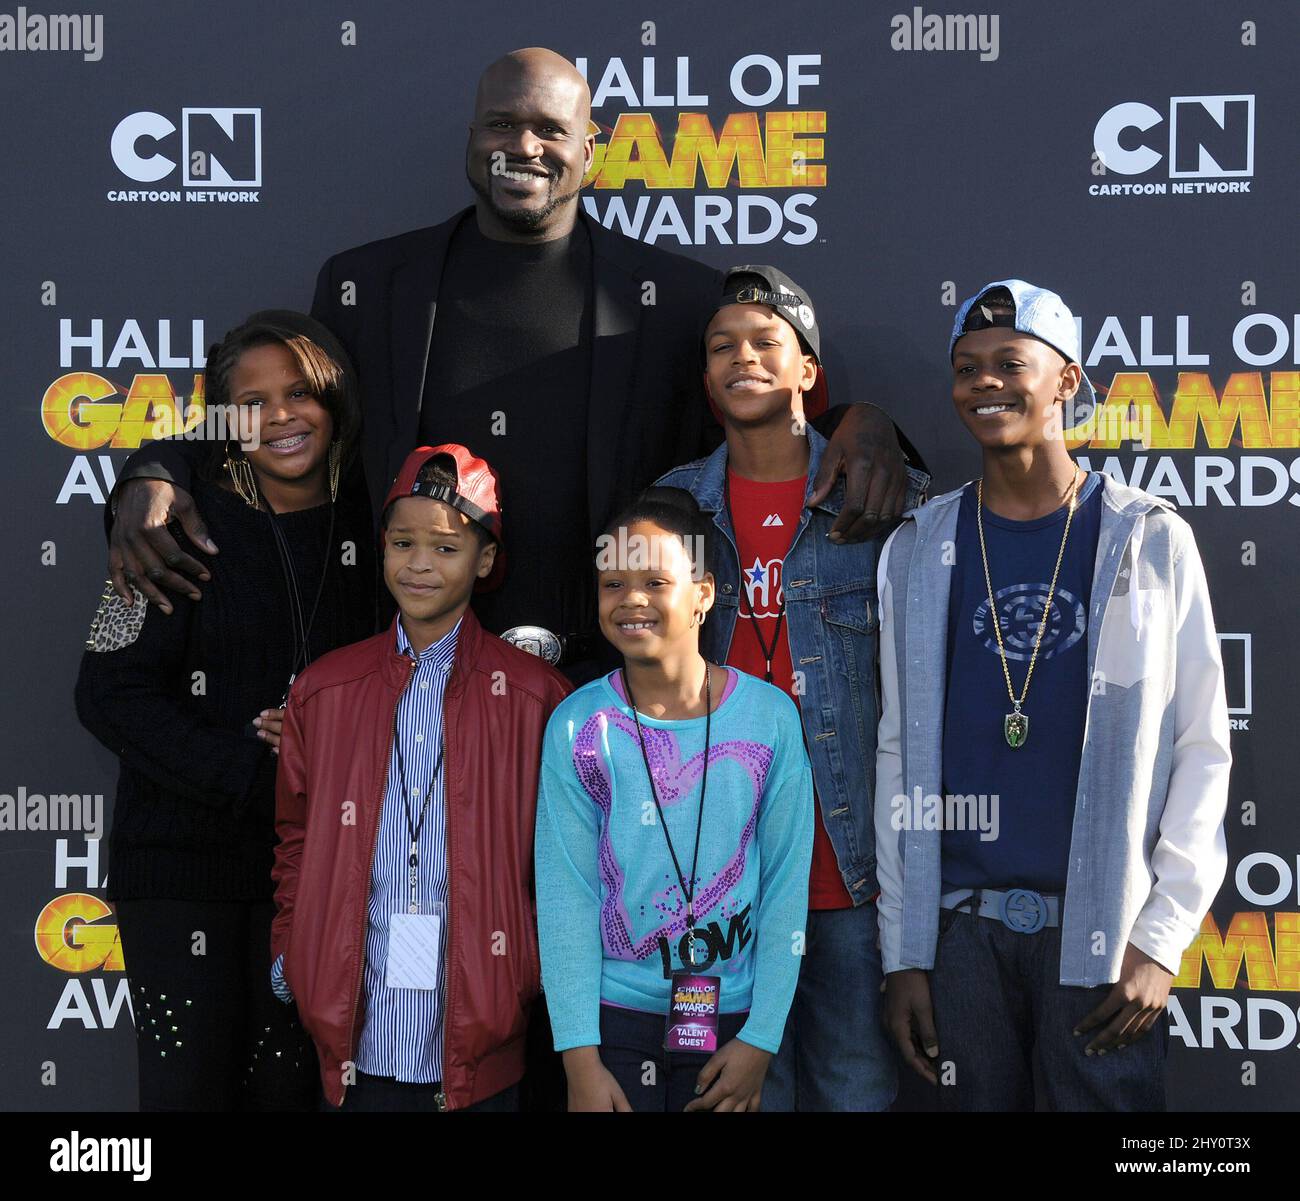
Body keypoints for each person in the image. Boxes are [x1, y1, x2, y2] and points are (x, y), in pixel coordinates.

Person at [103, 47, 921, 683]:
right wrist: (159, 463)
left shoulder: (675, 298)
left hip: (615, 684)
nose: (522, 146)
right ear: (471, 138)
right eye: (500, 125)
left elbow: (768, 426)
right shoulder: (369, 286)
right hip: (416, 676)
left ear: (590, 150)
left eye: (549, 129)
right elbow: (287, 419)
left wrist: (861, 422)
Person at [876, 280, 1231, 1111]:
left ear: (1067, 380)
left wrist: (1162, 938)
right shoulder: (920, 548)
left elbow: (1201, 744)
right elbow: (898, 752)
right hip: (960, 935)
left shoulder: (1147, 537)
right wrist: (906, 950)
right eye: (966, 369)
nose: (985, 384)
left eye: (1010, 363)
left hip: (1103, 933)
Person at [74, 310, 376, 1111]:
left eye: (300, 393)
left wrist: (325, 748)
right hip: (182, 873)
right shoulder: (174, 525)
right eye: (253, 401)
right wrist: (252, 769)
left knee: (291, 1095)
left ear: (335, 398)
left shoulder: (384, 532)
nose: (280, 417)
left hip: (320, 879)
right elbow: (107, 692)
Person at [656, 265, 928, 1111]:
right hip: (711, 881)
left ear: (809, 370)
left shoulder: (892, 504)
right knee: (727, 1096)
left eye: (767, 342)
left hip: (847, 881)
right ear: (705, 379)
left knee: (854, 1090)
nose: (744, 358)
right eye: (722, 347)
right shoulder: (668, 512)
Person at [270, 444, 570, 1112]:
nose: (420, 565)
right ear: (380, 550)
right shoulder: (324, 689)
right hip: (351, 1040)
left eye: (445, 547)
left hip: (481, 1038)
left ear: (485, 560)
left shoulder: (536, 697)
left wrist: (531, 967)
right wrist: (295, 949)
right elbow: (294, 835)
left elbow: (567, 861)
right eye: (403, 543)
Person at [535, 487, 814, 1112]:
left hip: (733, 1022)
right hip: (614, 1025)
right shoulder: (581, 728)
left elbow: (786, 888)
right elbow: (566, 899)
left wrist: (762, 1039)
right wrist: (579, 1058)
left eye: (656, 581)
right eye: (612, 584)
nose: (631, 599)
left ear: (704, 596)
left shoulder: (768, 719)